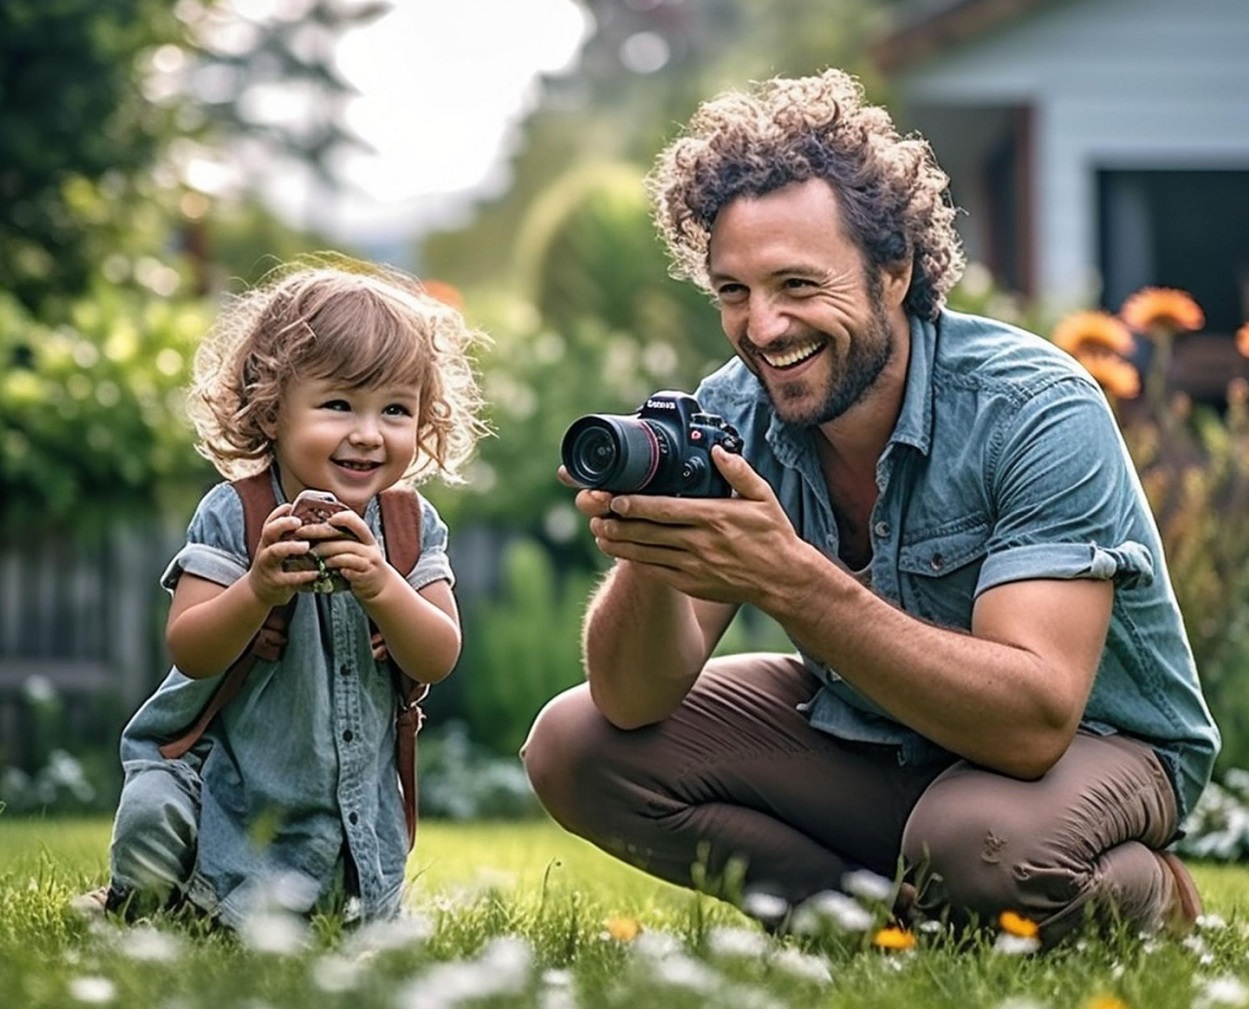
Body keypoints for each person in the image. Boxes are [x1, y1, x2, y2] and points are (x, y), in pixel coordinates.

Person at [522, 69, 1220, 945]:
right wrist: (652, 553)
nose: (765, 328)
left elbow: (1035, 722)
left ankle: (1148, 893)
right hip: (884, 734)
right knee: (574, 745)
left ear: (894, 271)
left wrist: (793, 582)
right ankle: (865, 924)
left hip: (1097, 744)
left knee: (975, 847)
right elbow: (629, 702)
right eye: (733, 291)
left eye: (799, 286)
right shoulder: (733, 410)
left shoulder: (1032, 407)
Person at [76, 259, 487, 927]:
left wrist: (382, 582)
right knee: (156, 819)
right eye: (337, 404)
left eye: (395, 409)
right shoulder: (233, 514)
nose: (367, 431)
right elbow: (191, 647)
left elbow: (438, 654)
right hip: (226, 776)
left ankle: (306, 899)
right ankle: (145, 902)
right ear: (271, 408)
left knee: (329, 914)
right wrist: (257, 587)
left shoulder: (410, 527)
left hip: (344, 794)